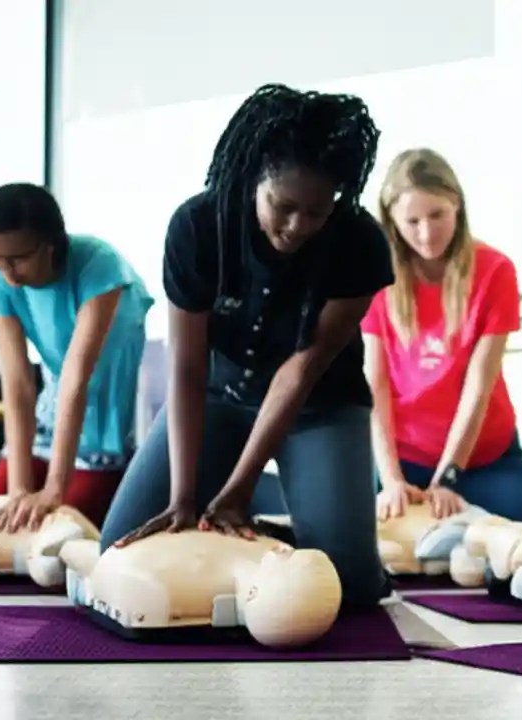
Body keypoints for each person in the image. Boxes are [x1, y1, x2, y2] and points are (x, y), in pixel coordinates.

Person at [98, 84, 394, 611]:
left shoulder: (359, 243)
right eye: (283, 206)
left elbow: (300, 372)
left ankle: (267, 519)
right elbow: (187, 368)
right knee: (122, 550)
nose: (297, 226)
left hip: (319, 406)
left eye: (316, 212)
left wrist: (239, 487)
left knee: (347, 586)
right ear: (255, 177)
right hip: (216, 395)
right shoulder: (197, 227)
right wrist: (183, 499)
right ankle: (239, 516)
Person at [365, 148, 522, 523]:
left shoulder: (495, 271)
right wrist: (391, 479)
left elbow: (478, 388)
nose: (426, 233)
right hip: (404, 459)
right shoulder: (377, 277)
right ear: (392, 221)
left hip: (485, 458)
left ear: (456, 203)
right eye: (412, 221)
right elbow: (376, 387)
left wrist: (448, 477)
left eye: (437, 214)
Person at [0, 182, 153, 531]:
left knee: (58, 533)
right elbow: (17, 380)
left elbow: (77, 377)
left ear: (51, 244)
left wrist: (54, 489)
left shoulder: (100, 265)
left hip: (106, 419)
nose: (8, 274)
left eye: (19, 259)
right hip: (53, 410)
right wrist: (19, 488)